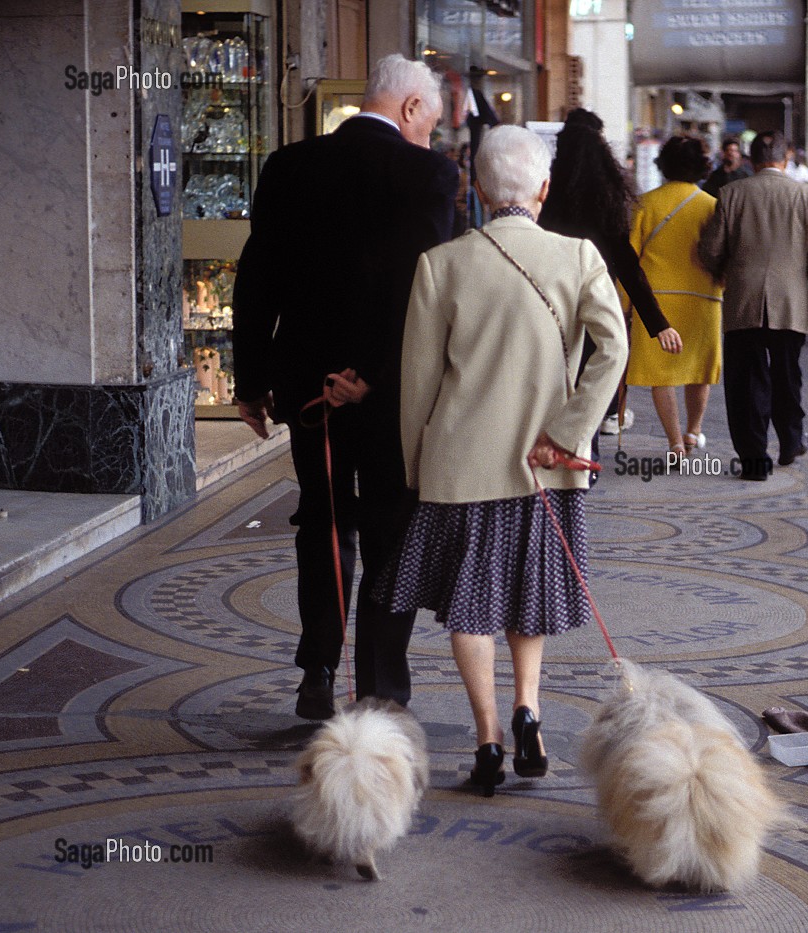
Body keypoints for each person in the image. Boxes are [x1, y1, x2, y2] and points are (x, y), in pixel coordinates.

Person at [373, 125, 628, 795]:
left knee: (471, 606)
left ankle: (487, 737)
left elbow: (417, 384)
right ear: (542, 189)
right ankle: (529, 707)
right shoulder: (578, 257)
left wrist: (415, 467)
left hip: (461, 467)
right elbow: (615, 350)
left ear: (478, 190)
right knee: (529, 592)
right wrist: (569, 432)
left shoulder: (443, 264)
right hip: (547, 464)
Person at [231, 54, 458, 720]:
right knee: (391, 522)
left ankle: (319, 668)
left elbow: (257, 277)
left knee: (323, 520)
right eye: (430, 124)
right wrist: (374, 376)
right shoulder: (430, 175)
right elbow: (425, 292)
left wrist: (250, 380)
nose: (430, 138)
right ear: (411, 107)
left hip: (305, 385)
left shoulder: (288, 166)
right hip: (390, 391)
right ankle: (382, 686)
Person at [698, 131, 808, 480]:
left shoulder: (731, 194)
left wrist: (722, 272)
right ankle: (790, 441)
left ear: (750, 158)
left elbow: (711, 249)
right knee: (787, 375)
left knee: (746, 381)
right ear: (786, 158)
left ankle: (754, 460)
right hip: (791, 303)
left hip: (742, 301)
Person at [539, 108, 680, 440]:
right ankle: (586, 446)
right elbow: (627, 263)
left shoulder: (545, 186)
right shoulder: (609, 194)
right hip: (596, 293)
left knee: (555, 372)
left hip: (549, 292)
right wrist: (657, 322)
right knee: (593, 368)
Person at [626, 136, 723, 460]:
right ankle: (693, 432)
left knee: (662, 374)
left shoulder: (645, 204)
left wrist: (625, 303)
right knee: (698, 370)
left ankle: (674, 443)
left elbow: (630, 258)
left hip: (656, 301)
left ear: (663, 165)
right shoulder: (711, 205)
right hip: (703, 299)